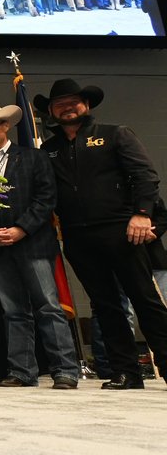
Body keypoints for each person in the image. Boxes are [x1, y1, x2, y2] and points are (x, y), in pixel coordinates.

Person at [36, 79, 167, 389]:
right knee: (104, 305)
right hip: (78, 238)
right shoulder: (49, 149)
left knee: (145, 299)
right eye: (60, 103)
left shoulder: (115, 133)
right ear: (52, 111)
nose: (67, 107)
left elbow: (145, 177)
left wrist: (143, 215)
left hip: (122, 231)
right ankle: (126, 372)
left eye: (73, 101)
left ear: (87, 105)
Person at [0, 103, 77, 390]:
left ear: (5, 126)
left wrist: (20, 229)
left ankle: (65, 370)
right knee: (13, 311)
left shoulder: (34, 157)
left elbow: (46, 197)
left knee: (48, 307)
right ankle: (22, 371)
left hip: (33, 244)